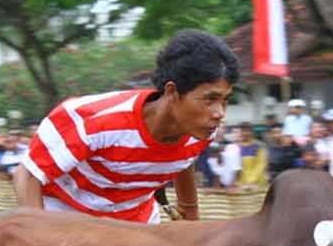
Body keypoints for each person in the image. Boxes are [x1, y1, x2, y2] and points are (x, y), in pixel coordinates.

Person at [14, 29, 237, 223]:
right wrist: (38, 239)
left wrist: (190, 222)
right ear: (172, 92)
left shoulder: (201, 130)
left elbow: (185, 160)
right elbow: (27, 175)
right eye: (210, 99)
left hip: (134, 231)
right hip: (65, 222)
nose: (219, 113)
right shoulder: (89, 120)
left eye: (225, 100)